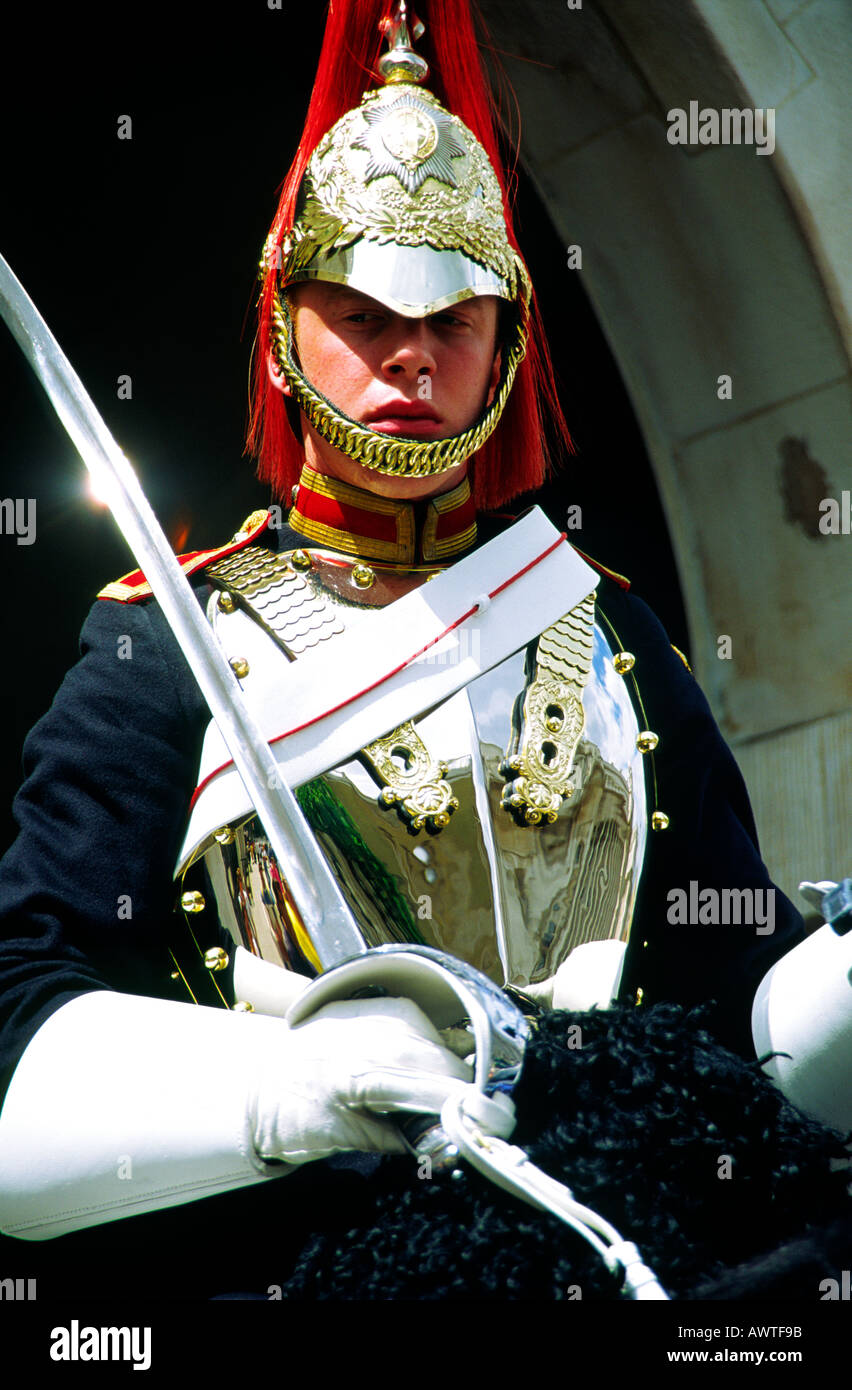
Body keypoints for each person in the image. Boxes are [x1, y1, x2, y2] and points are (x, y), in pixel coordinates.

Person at [0, 0, 816, 1301]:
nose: (412, 355)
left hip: (611, 1248)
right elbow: (23, 1025)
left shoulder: (607, 628)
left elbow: (742, 983)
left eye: (453, 317)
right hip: (300, 1260)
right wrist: (290, 1089)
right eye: (366, 311)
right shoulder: (163, 642)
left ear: (504, 339)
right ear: (287, 325)